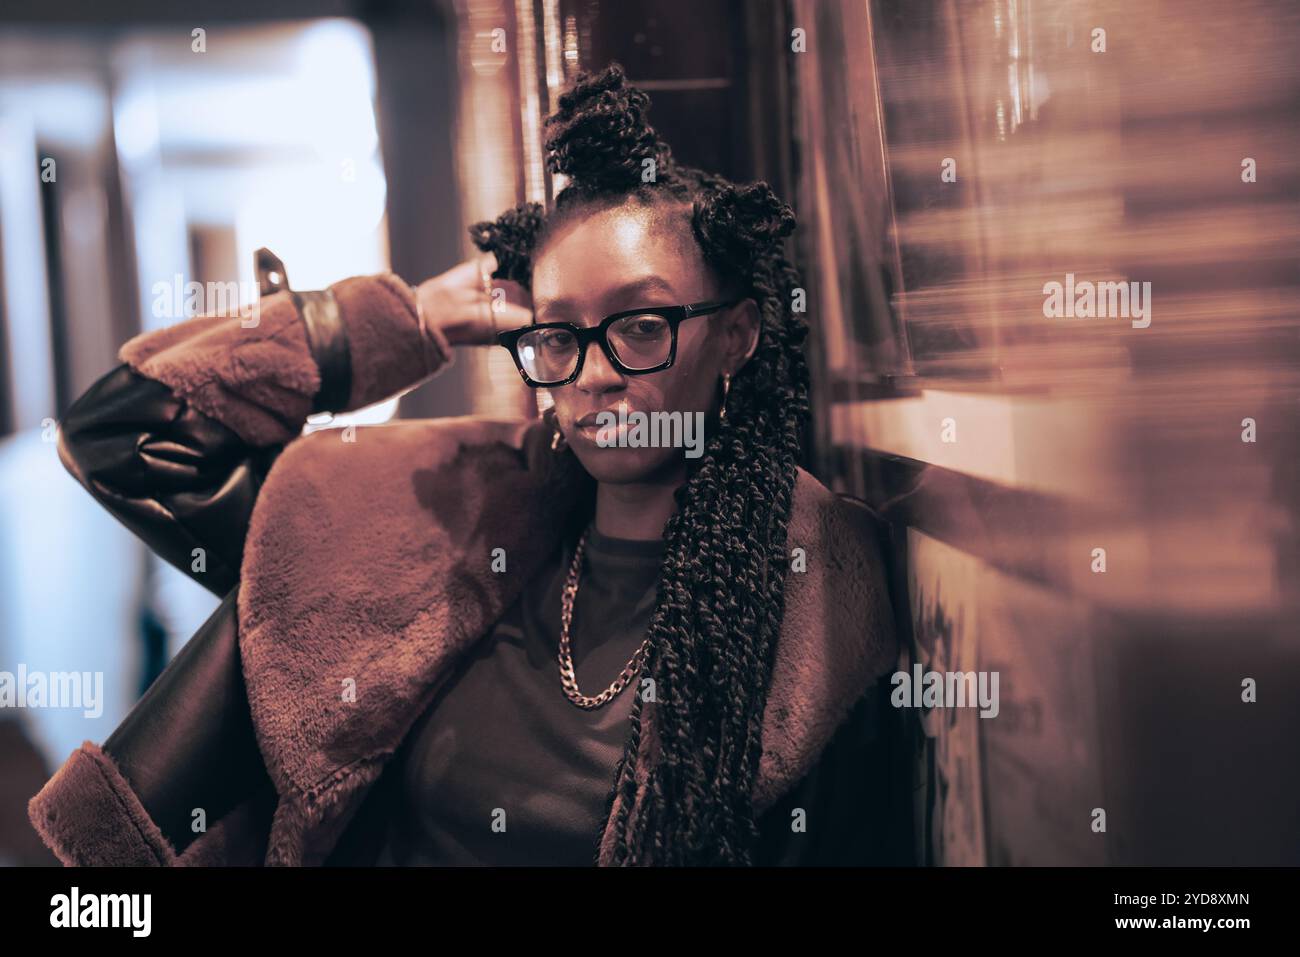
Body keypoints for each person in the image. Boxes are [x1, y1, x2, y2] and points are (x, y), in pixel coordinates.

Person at [28, 63, 909, 867]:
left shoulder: (805, 600)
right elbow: (127, 437)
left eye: (641, 326)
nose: (594, 374)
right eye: (559, 335)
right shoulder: (430, 531)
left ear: (738, 335)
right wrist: (414, 320)